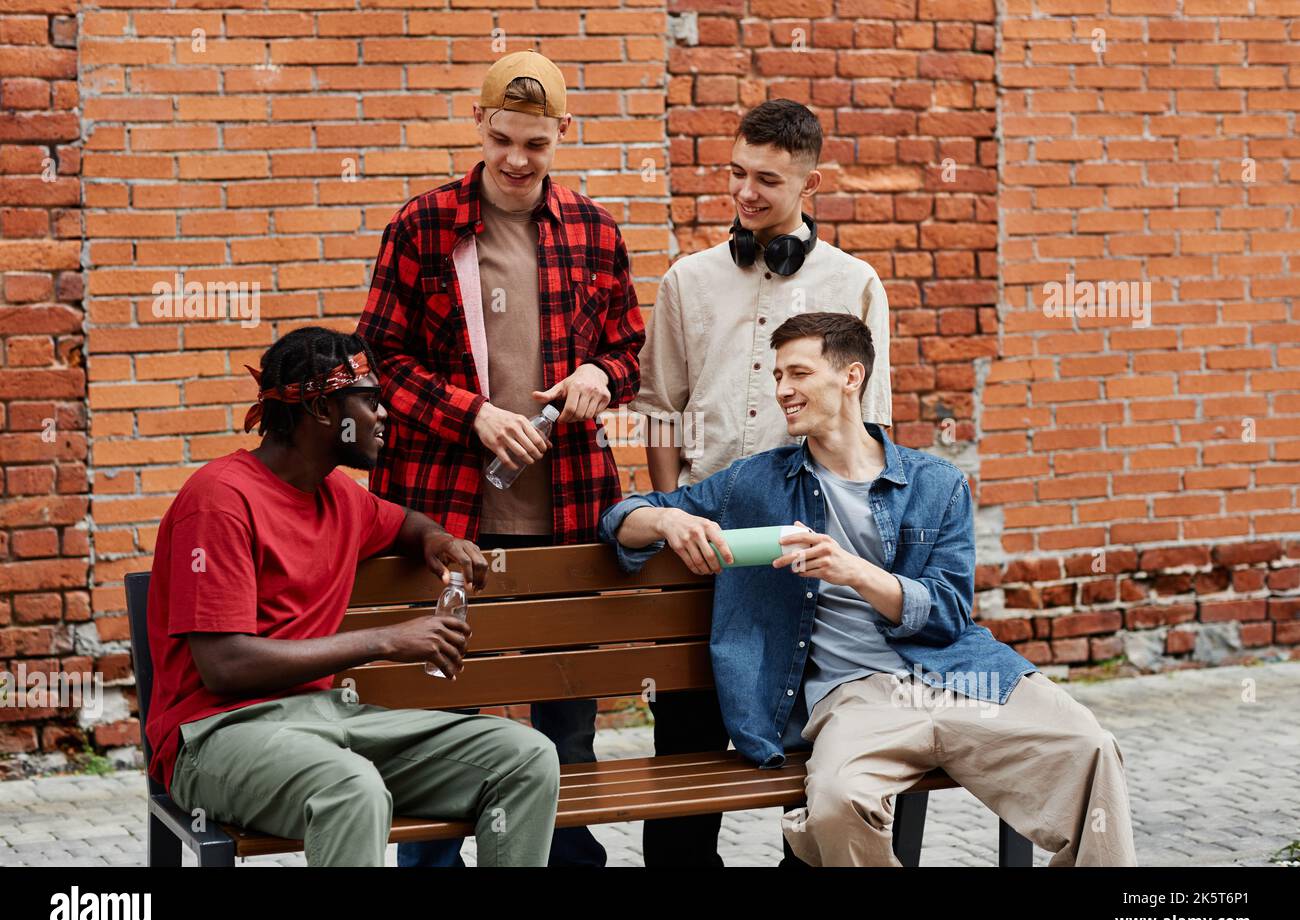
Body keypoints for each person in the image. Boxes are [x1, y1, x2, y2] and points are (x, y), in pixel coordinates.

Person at [601, 313, 1137, 866]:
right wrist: (667, 523)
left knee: (1090, 750)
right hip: (855, 696)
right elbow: (623, 516)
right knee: (835, 802)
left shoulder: (937, 483)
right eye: (778, 375)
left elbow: (949, 613)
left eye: (799, 374)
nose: (782, 390)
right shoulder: (754, 481)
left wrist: (854, 570)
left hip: (958, 675)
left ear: (851, 377)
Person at [355, 50, 644, 867]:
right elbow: (377, 362)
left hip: (566, 512)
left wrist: (599, 374)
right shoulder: (423, 225)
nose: (518, 160)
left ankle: (569, 858)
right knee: (441, 720)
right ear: (479, 124)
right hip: (447, 516)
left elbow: (629, 349)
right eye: (505, 138)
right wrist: (473, 415)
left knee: (568, 721)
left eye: (537, 144)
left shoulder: (593, 229)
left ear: (563, 135)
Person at [145, 327, 560, 867]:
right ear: (321, 407)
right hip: (216, 736)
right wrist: (387, 640)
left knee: (525, 757)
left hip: (325, 719)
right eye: (369, 400)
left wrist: (437, 540)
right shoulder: (219, 501)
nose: (384, 414)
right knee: (350, 788)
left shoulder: (339, 495)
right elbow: (224, 664)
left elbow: (405, 524)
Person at [630, 99, 893, 866]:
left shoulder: (855, 282)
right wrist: (674, 512)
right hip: (702, 538)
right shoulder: (689, 279)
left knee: (809, 747)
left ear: (812, 181)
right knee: (682, 742)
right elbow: (657, 412)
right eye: (737, 174)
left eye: (768, 181)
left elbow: (868, 431)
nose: (745, 194)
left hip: (805, 546)